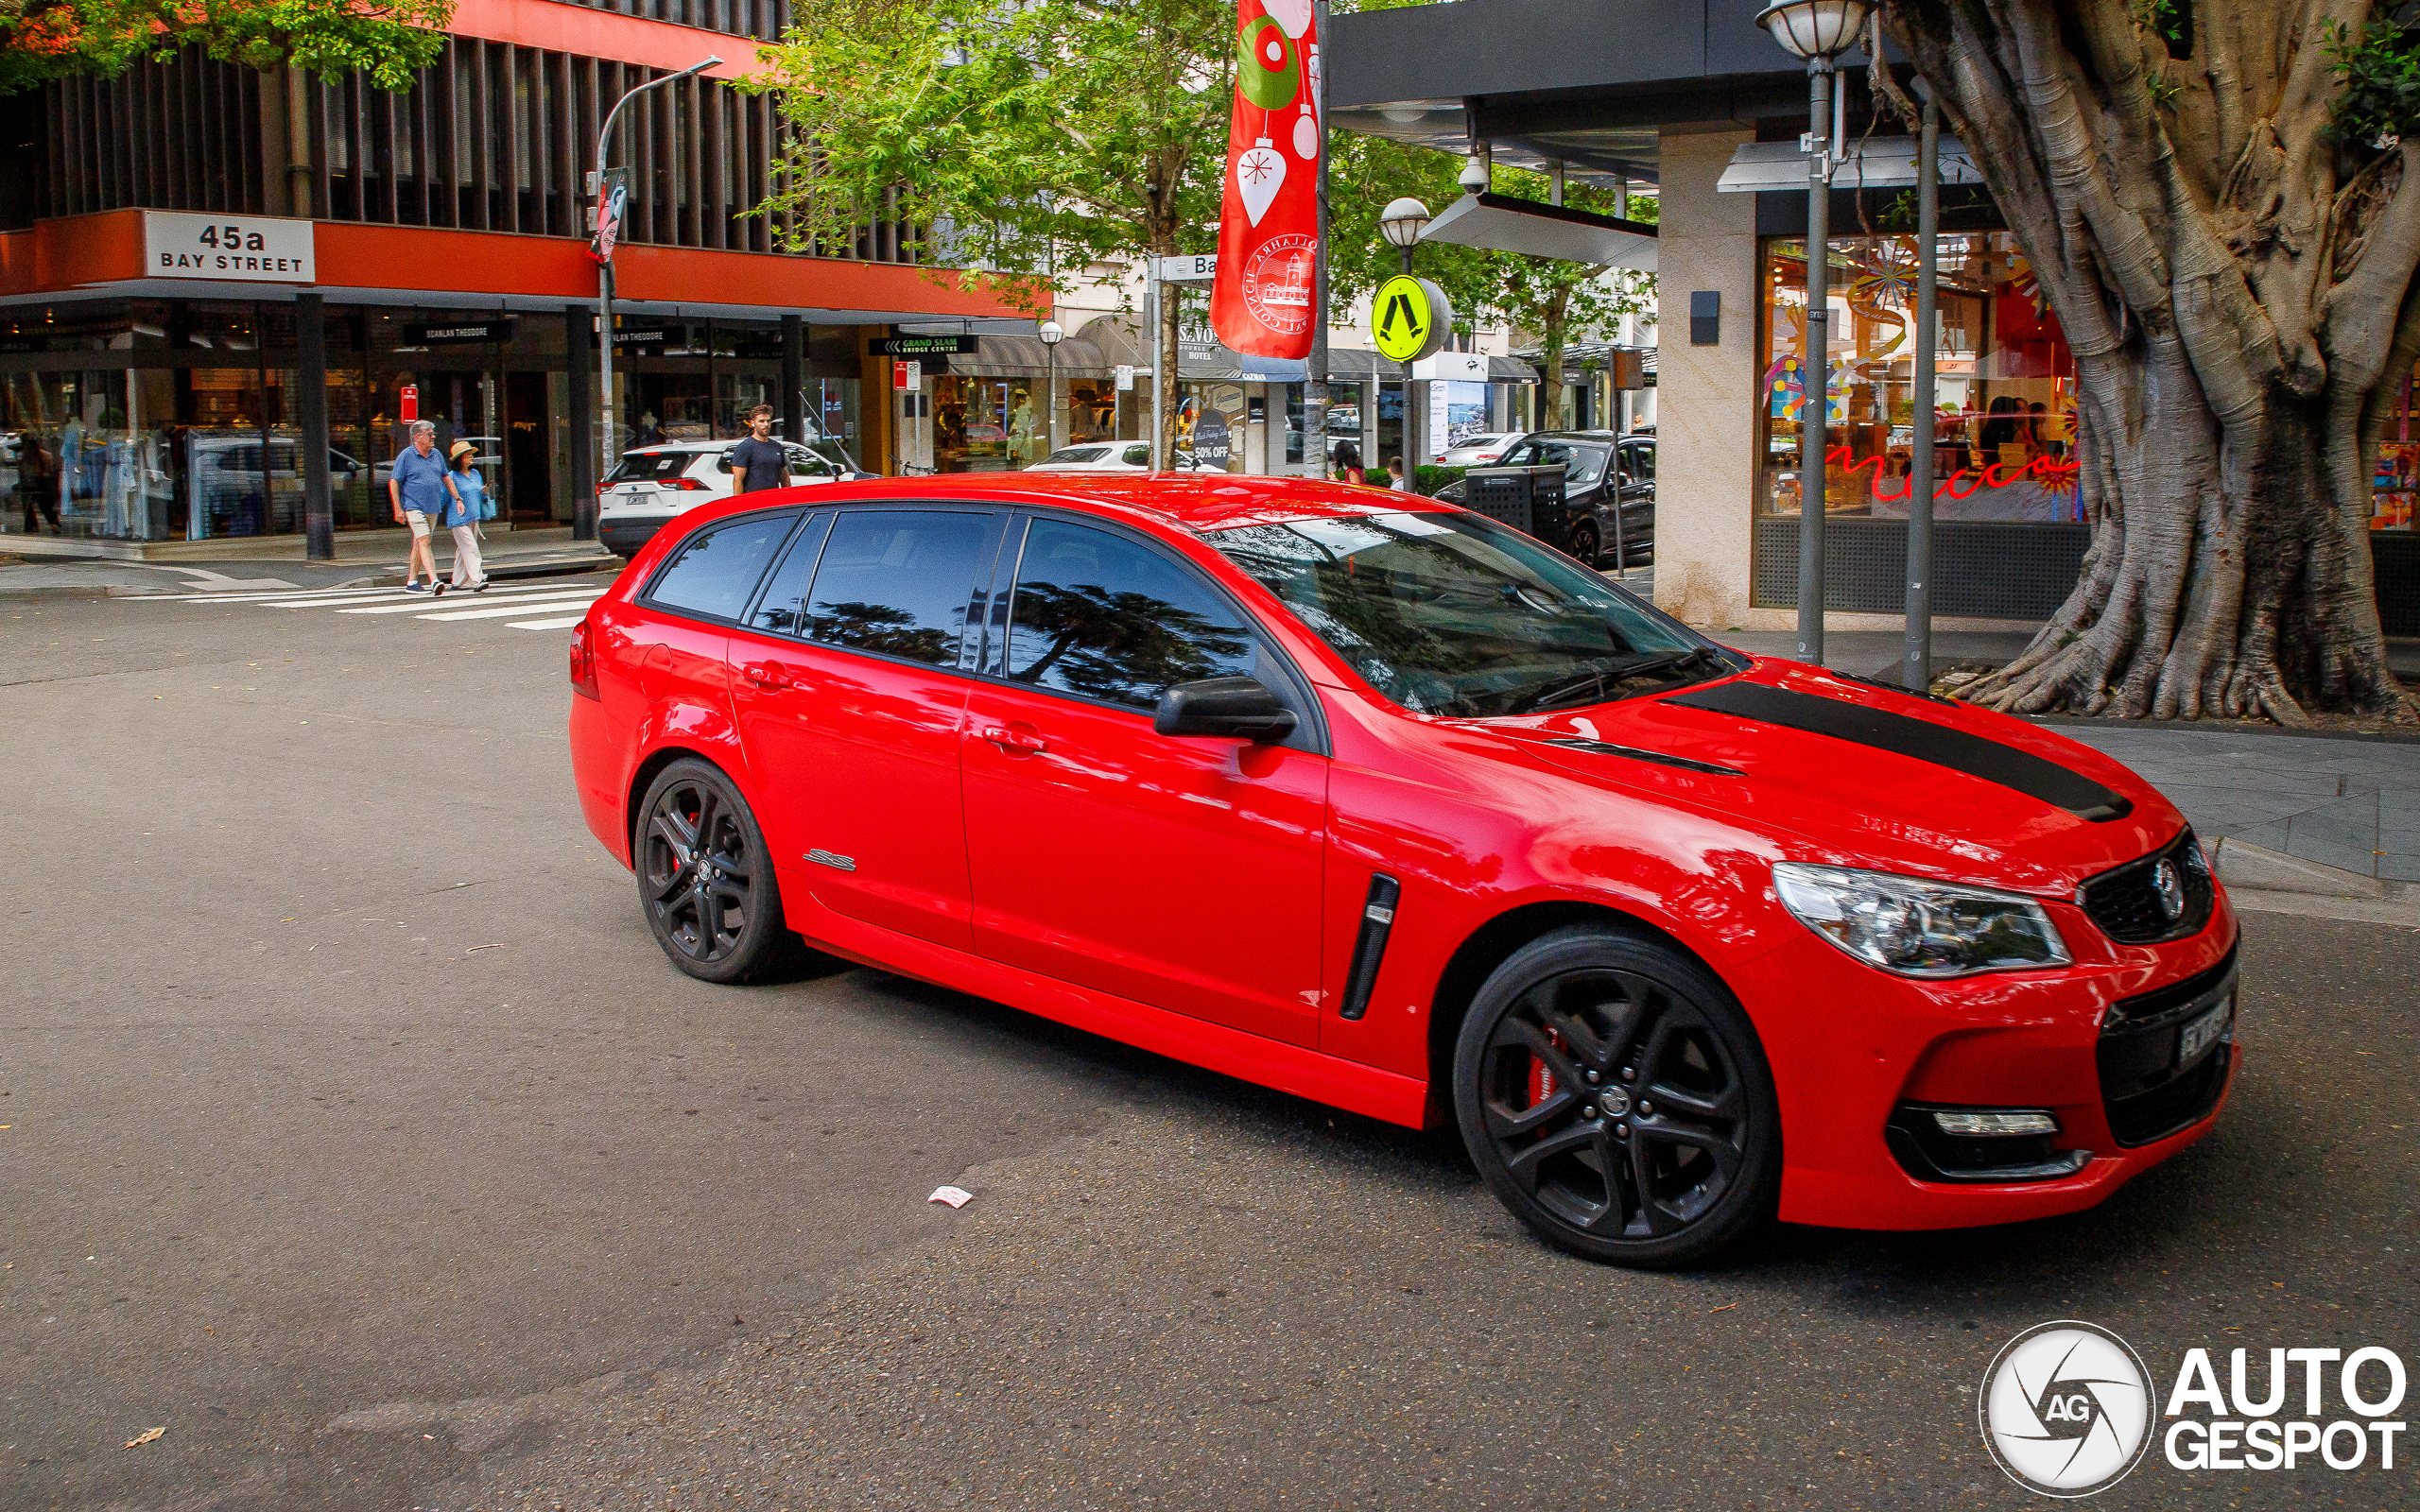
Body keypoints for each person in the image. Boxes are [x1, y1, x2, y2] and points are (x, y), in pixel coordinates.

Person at [388, 420, 457, 593]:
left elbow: (446, 477)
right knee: (424, 540)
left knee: (420, 542)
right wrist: (398, 508)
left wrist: (457, 498)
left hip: (432, 506)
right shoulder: (406, 455)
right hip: (413, 506)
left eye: (433, 433)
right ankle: (434, 580)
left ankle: (411, 581)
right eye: (429, 434)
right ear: (417, 437)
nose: (433, 437)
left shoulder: (436, 455)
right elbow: (394, 482)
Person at [441, 439, 492, 593]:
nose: (471, 457)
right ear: (460, 459)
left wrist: (484, 493)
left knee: (463, 550)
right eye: (468, 455)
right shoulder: (451, 477)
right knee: (470, 548)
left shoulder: (476, 474)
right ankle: (477, 579)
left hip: (473, 517)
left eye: (471, 454)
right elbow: (443, 497)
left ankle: (457, 581)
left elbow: (481, 496)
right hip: (458, 519)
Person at [726, 404, 787, 496]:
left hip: (774, 501)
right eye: (761, 421)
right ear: (752, 423)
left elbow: (784, 476)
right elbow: (738, 480)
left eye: (768, 421)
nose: (766, 424)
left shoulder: (777, 446)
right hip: (754, 501)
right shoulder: (745, 447)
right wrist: (739, 505)